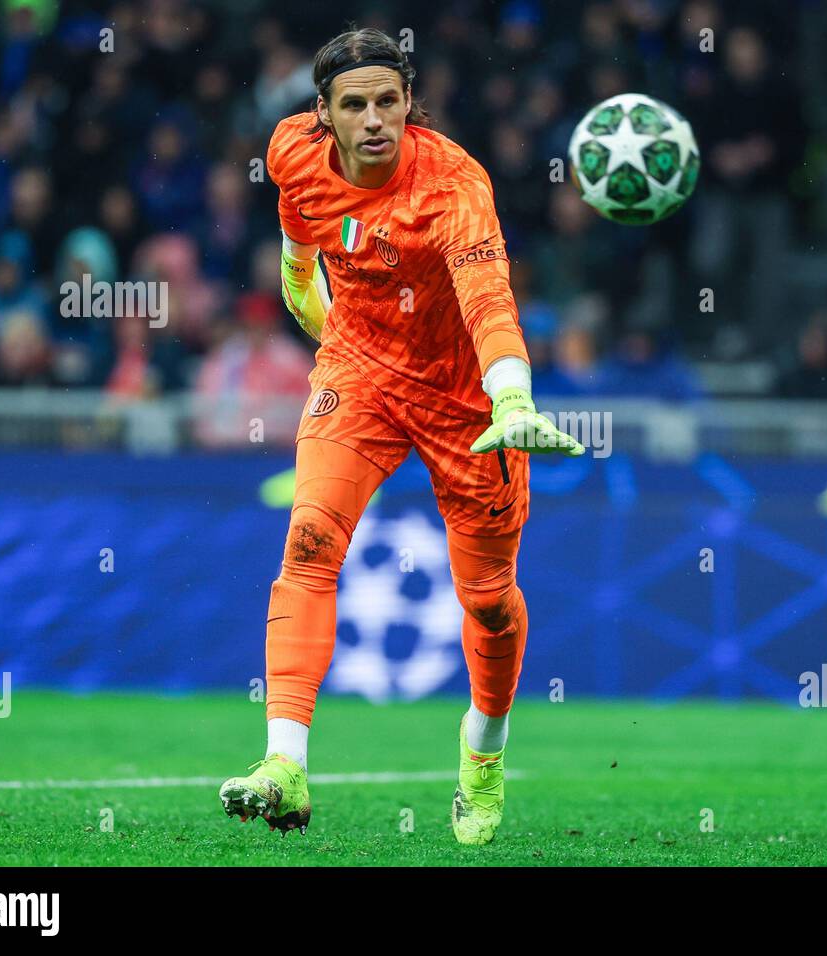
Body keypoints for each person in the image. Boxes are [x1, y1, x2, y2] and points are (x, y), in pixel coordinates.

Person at [218, 28, 583, 846]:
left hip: (466, 400)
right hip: (363, 375)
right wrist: (307, 300)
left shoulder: (453, 185)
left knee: (488, 605)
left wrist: (511, 395)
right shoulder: (291, 152)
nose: (375, 119)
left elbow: (488, 295)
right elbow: (299, 234)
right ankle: (284, 763)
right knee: (309, 540)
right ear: (323, 115)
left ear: (410, 102)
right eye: (355, 105)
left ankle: (483, 754)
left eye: (389, 100)